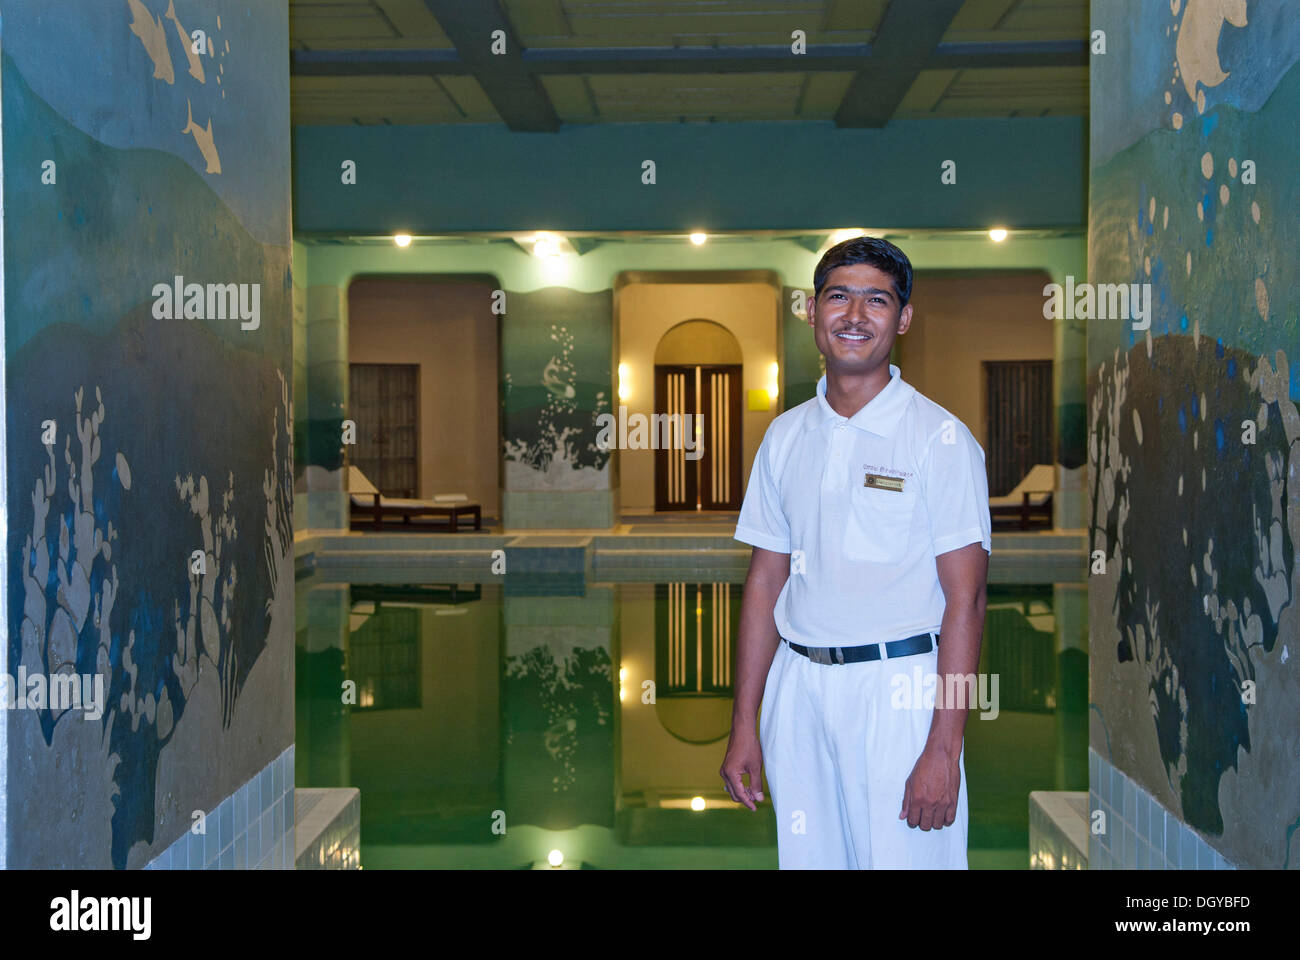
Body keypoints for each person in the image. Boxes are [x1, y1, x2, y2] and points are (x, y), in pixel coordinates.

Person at [719, 236, 992, 869]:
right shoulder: (785, 437)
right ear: (812, 313)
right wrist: (744, 725)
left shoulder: (939, 439)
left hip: (898, 692)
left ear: (903, 319)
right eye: (838, 297)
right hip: (799, 689)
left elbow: (967, 598)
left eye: (877, 300)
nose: (854, 315)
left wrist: (942, 750)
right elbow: (764, 584)